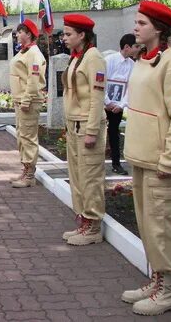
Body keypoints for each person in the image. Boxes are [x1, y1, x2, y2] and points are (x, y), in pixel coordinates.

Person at [121, 1, 171, 316]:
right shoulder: (144, 61)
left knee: (161, 226)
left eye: (142, 23)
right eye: (136, 23)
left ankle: (168, 290)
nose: (136, 28)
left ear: (159, 29)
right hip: (141, 156)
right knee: (147, 225)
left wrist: (170, 159)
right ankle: (157, 279)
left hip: (161, 162)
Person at [60, 14, 107, 246]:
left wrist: (92, 130)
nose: (64, 38)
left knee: (90, 177)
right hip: (74, 124)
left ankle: (93, 226)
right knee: (78, 176)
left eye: (69, 34)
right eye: (64, 33)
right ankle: (83, 222)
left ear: (82, 35)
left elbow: (97, 98)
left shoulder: (93, 58)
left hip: (87, 125)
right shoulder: (77, 57)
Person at [9, 20, 46, 187]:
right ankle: (25, 168)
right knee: (22, 136)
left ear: (29, 34)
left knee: (28, 137)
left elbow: (33, 79)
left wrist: (26, 99)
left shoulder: (34, 54)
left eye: (20, 32)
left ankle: (30, 175)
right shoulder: (25, 52)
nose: (17, 34)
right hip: (21, 100)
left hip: (29, 101)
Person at [104, 34, 141, 176]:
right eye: (136, 46)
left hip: (118, 106)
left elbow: (131, 87)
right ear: (127, 47)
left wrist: (121, 104)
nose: (138, 49)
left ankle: (116, 163)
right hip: (105, 103)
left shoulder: (132, 65)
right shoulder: (109, 61)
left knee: (114, 132)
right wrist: (107, 102)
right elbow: (102, 83)